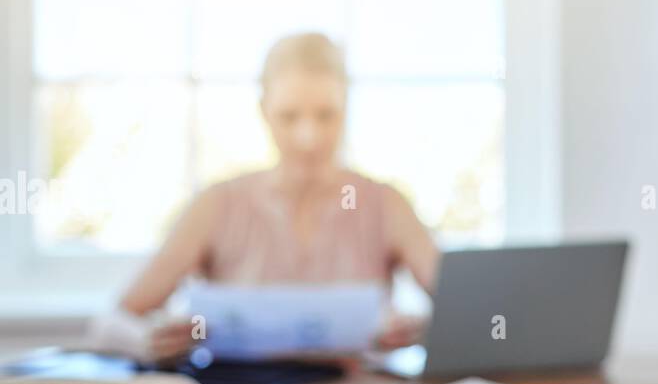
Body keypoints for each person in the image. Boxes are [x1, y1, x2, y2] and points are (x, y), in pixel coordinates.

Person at [87, 32, 440, 363]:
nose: (308, 137)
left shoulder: (384, 205)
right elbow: (107, 324)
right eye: (289, 117)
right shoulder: (218, 206)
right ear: (263, 111)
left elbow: (474, 318)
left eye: (326, 115)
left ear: (346, 107)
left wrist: (426, 330)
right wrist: (147, 340)